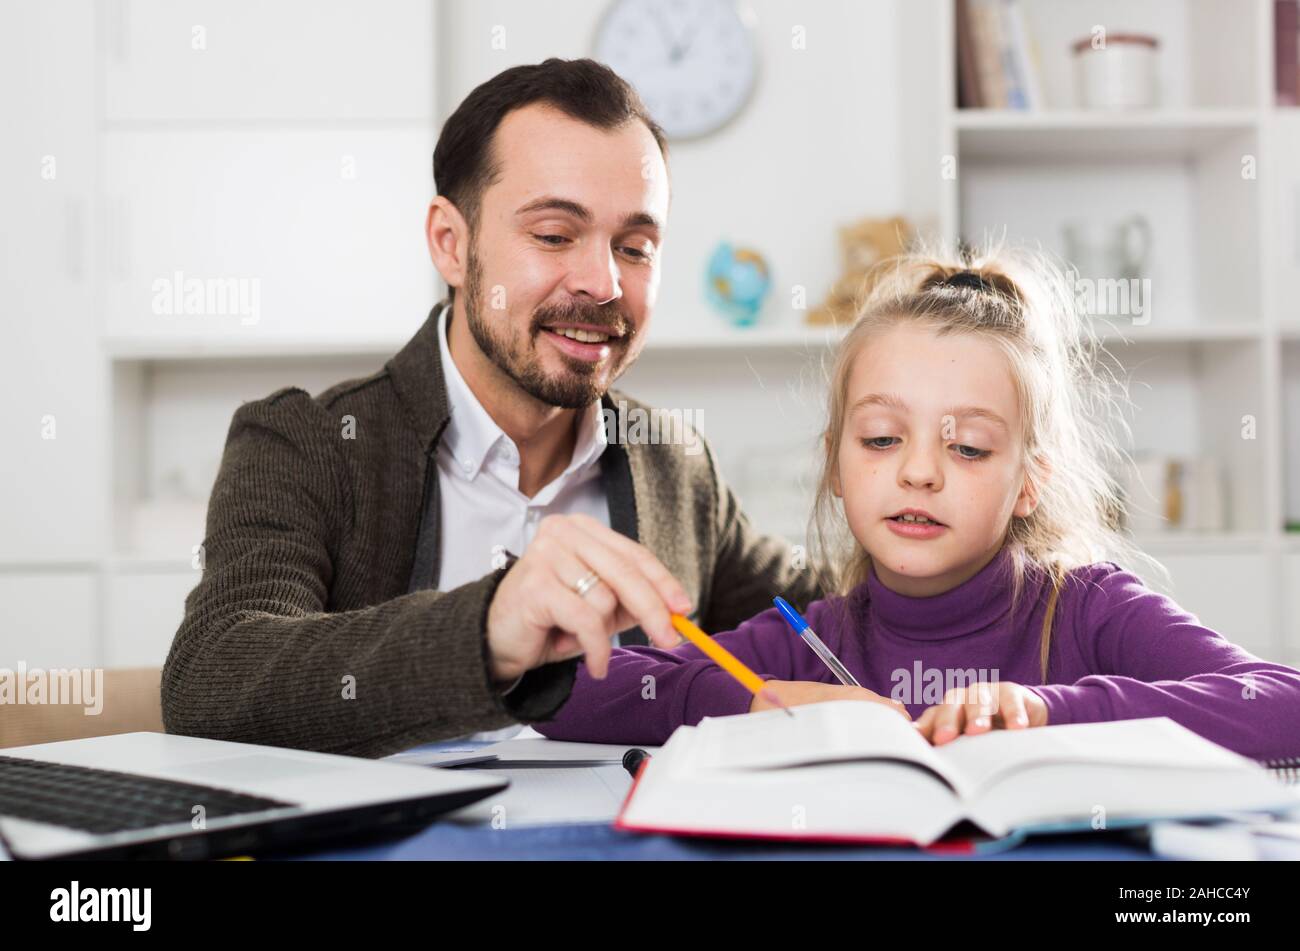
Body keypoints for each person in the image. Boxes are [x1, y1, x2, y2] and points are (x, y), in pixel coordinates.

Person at [161, 59, 817, 757]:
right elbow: (213, 678)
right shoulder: (305, 443)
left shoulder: (674, 461)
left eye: (635, 247)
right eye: (555, 235)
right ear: (451, 242)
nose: (602, 283)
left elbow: (821, 613)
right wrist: (489, 629)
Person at [536, 245, 1300, 761]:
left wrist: (1049, 712)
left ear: (1028, 480)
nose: (920, 473)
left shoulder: (1089, 609)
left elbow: (1281, 702)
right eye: (879, 439)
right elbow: (561, 696)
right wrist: (749, 700)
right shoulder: (814, 634)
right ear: (836, 462)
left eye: (967, 447)